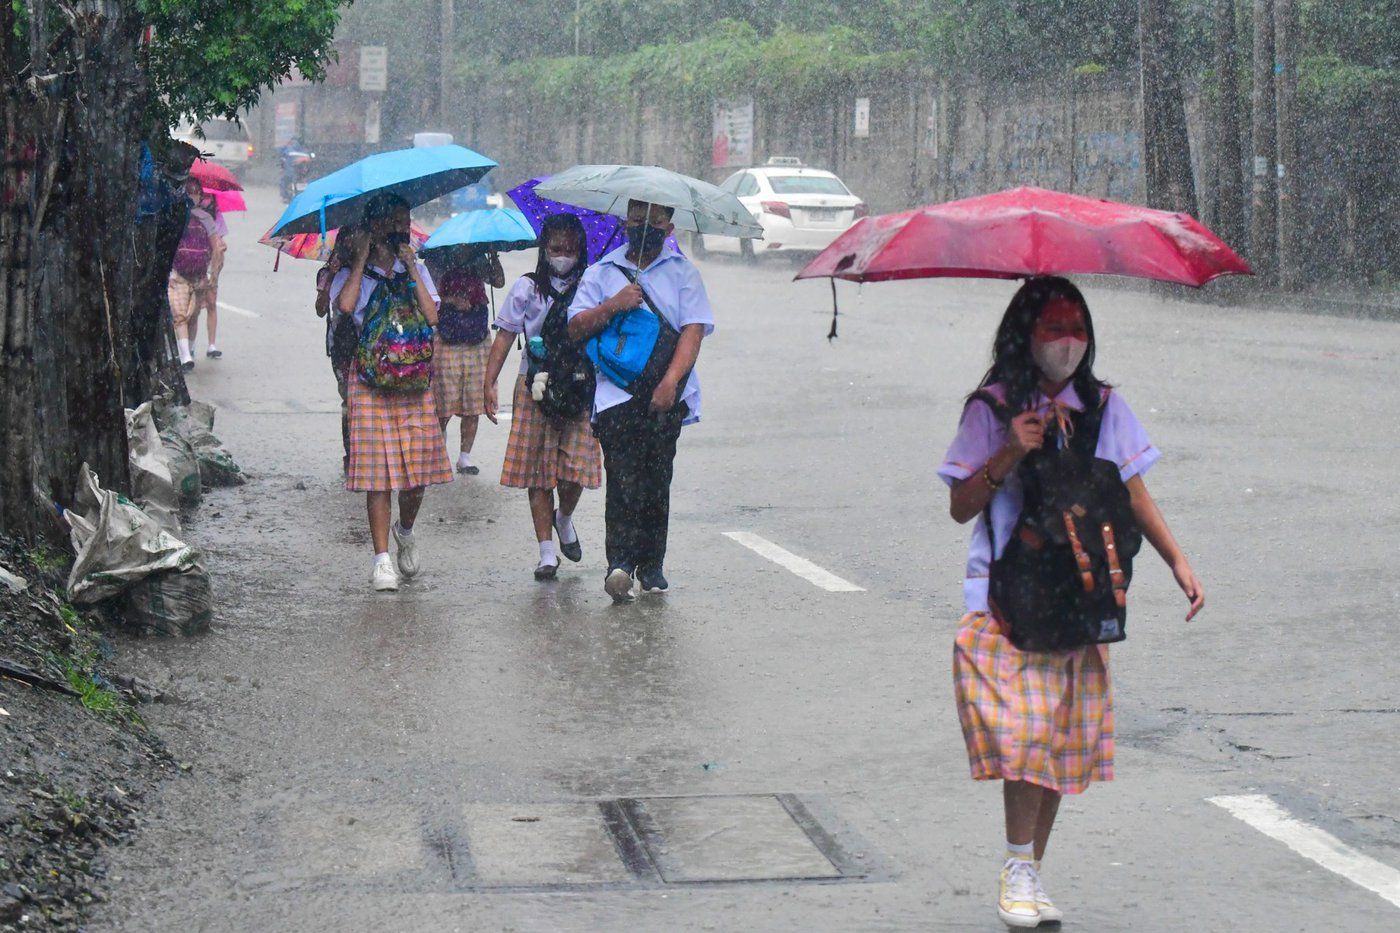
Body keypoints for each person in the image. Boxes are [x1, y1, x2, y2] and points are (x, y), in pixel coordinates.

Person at [939, 276, 1204, 929]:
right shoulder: (992, 407)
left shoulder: (1105, 406)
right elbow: (960, 505)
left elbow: (1134, 492)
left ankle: (1027, 870)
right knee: (1024, 732)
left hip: (1078, 591)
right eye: (1053, 328)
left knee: (1057, 741)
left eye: (1076, 329)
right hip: (1004, 592)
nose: (1066, 343)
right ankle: (1018, 863)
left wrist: (1177, 559)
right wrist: (1009, 448)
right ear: (1025, 334)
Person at [567, 200, 713, 603]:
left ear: (669, 226)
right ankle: (620, 564)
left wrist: (670, 383)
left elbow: (693, 330)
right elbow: (576, 328)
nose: (644, 227)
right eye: (636, 220)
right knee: (623, 477)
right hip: (616, 393)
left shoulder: (683, 273)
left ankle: (652, 565)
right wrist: (615, 303)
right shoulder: (601, 272)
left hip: (666, 392)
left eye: (654, 221)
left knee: (656, 478)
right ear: (624, 222)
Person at [330, 193, 453, 592]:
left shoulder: (411, 267)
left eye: (405, 219)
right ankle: (381, 559)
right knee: (377, 477)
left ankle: (406, 528)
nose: (400, 227)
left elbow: (433, 316)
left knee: (416, 476)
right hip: (369, 379)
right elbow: (346, 307)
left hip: (414, 380)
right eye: (393, 220)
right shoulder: (352, 271)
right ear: (374, 223)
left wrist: (412, 267)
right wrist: (362, 259)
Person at [483, 214, 601, 580]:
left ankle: (564, 517)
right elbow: (504, 336)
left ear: (580, 249)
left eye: (569, 249)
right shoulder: (526, 288)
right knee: (538, 472)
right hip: (534, 386)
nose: (562, 255)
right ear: (544, 250)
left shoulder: (593, 286)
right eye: (555, 249)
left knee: (575, 470)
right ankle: (546, 552)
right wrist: (489, 382)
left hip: (580, 387)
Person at [428, 246, 504, 475]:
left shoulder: (479, 258)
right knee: (443, 400)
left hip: (476, 334)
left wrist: (493, 256)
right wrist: (452, 300)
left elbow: (498, 282)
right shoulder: (438, 260)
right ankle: (438, 452)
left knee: (474, 400)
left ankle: (464, 456)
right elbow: (428, 292)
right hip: (447, 333)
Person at [316, 226, 362, 472]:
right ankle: (351, 453)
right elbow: (320, 309)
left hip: (369, 343)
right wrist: (331, 278)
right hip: (342, 345)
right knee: (350, 400)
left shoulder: (370, 268)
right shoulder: (328, 274)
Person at [168, 192, 221, 373]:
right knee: (181, 316)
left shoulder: (178, 214)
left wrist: (213, 277)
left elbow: (217, 248)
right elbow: (217, 249)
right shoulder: (200, 218)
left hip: (195, 276)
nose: (192, 195)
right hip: (183, 275)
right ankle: (186, 356)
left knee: (192, 316)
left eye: (195, 192)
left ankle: (187, 351)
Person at [183, 179, 228, 361]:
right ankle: (187, 348)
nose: (203, 198)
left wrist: (214, 271)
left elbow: (219, 243)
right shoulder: (186, 215)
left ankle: (211, 344)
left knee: (210, 303)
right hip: (188, 267)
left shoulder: (213, 217)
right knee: (187, 311)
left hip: (209, 266)